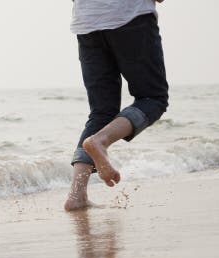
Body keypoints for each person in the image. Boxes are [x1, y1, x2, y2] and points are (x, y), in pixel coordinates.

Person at [65, 0, 169, 211]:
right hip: (130, 17)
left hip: (87, 21)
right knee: (153, 98)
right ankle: (100, 141)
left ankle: (77, 195)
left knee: (101, 113)